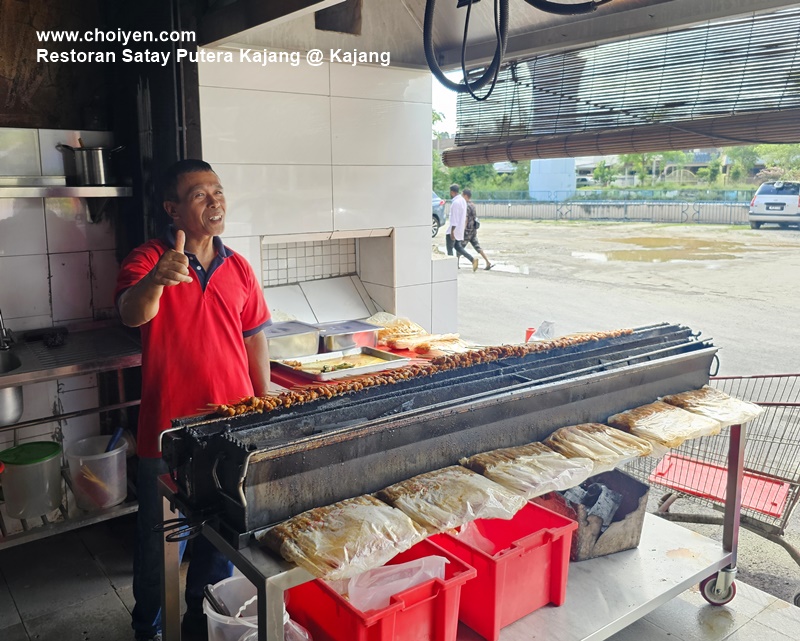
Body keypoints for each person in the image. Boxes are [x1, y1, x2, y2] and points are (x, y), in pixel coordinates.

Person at [115, 160, 271, 641]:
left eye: (218, 192)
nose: (215, 201)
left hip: (229, 432)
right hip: (167, 433)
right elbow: (130, 313)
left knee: (220, 543)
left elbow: (254, 340)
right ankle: (150, 630)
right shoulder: (147, 259)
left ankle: (201, 626)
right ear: (173, 210)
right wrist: (158, 279)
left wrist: (264, 407)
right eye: (200, 195)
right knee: (157, 547)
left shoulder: (239, 266)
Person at [447, 183, 479, 271]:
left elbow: (455, 218)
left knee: (449, 249)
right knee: (458, 247)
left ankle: (450, 267)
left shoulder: (456, 202)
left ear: (452, 192)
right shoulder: (462, 201)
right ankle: (472, 259)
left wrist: (452, 231)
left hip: (454, 230)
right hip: (459, 229)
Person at [462, 188, 493, 270]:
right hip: (473, 230)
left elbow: (466, 218)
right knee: (478, 247)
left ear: (465, 196)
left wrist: (463, 229)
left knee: (460, 247)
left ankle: (456, 264)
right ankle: (487, 262)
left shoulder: (466, 206)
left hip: (467, 230)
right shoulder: (473, 205)